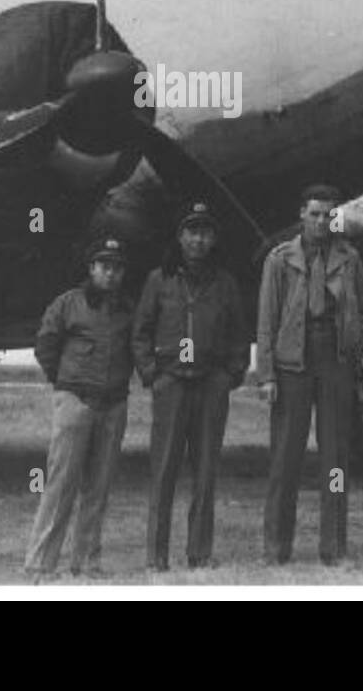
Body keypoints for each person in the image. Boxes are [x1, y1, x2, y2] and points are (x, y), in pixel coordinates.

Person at [256, 184, 363, 566]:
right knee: (285, 459)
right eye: (315, 213)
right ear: (302, 215)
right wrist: (267, 375)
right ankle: (276, 547)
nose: (322, 221)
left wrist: (354, 348)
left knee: (335, 460)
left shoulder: (350, 259)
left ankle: (333, 546)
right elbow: (267, 321)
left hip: (334, 362)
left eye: (328, 214)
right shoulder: (279, 259)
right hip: (293, 364)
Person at [134, 200, 250, 571]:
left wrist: (231, 374)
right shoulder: (159, 279)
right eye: (192, 231)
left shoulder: (225, 282)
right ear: (180, 236)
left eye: (205, 232)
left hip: (210, 384)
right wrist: (153, 374)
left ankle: (199, 552)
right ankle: (157, 555)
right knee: (164, 468)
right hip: (172, 384)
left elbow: (238, 334)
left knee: (205, 472)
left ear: (214, 238)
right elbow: (141, 332)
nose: (198, 240)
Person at [24, 237, 135, 580]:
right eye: (104, 266)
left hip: (113, 405)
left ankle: (86, 561)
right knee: (60, 486)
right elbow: (46, 343)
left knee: (98, 488)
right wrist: (64, 384)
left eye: (117, 267)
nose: (111, 273)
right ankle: (40, 563)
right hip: (75, 402)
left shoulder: (128, 310)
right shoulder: (68, 303)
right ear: (91, 268)